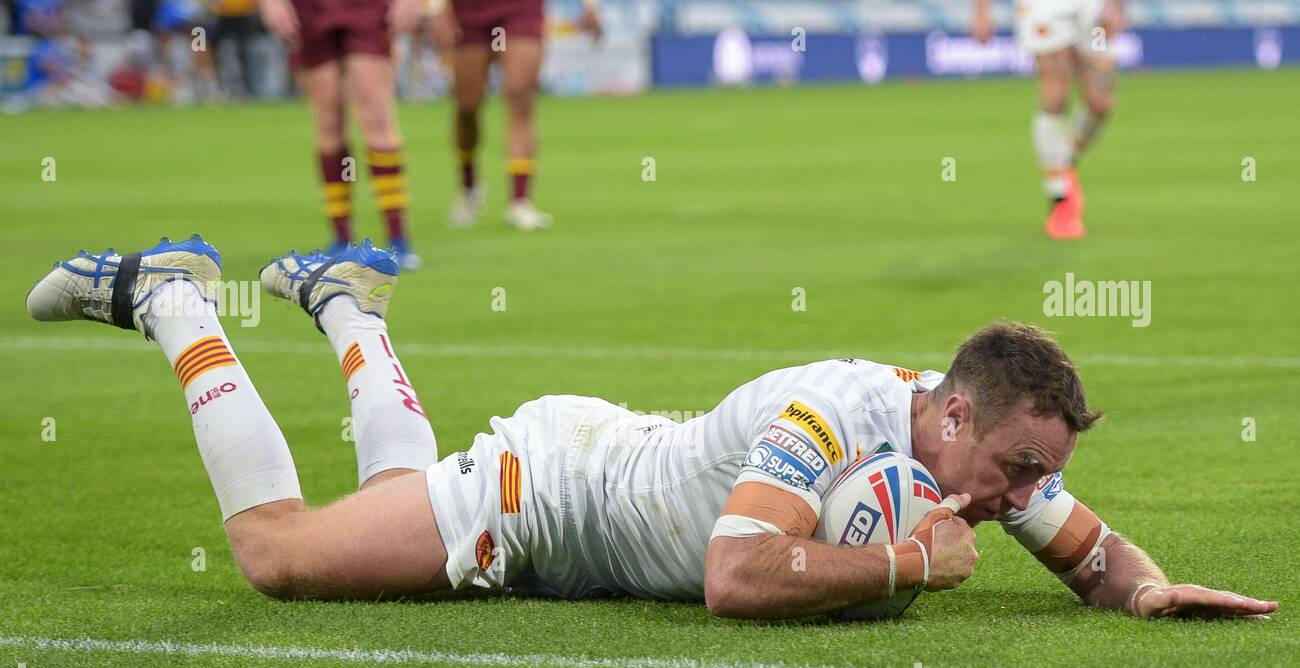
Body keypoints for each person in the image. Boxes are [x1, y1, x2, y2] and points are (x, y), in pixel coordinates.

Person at [24, 235, 1277, 621]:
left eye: (1037, 477)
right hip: (551, 494)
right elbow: (736, 578)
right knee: (284, 557)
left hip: (604, 456)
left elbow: (1096, 555)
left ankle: (350, 309)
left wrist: (1149, 590)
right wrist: (902, 564)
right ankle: (174, 299)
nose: (1023, 498)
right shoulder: (832, 414)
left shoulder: (981, 452)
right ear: (955, 414)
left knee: (378, 511)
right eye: (1017, 471)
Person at [258, 0, 424, 267]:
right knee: (328, 119)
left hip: (368, 9)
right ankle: (341, 238)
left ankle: (397, 237)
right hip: (312, 10)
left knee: (376, 115)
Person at [430, 0, 602, 230]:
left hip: (521, 9)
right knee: (467, 107)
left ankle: (520, 201)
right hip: (469, 11)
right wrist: (436, 8)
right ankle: (469, 186)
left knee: (520, 98)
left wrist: (590, 6)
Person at [971, 0, 1122, 239]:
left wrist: (1117, 6)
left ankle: (1065, 159)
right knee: (1056, 91)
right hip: (1043, 7)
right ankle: (1060, 199)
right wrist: (981, 11)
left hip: (1091, 7)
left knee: (1101, 102)